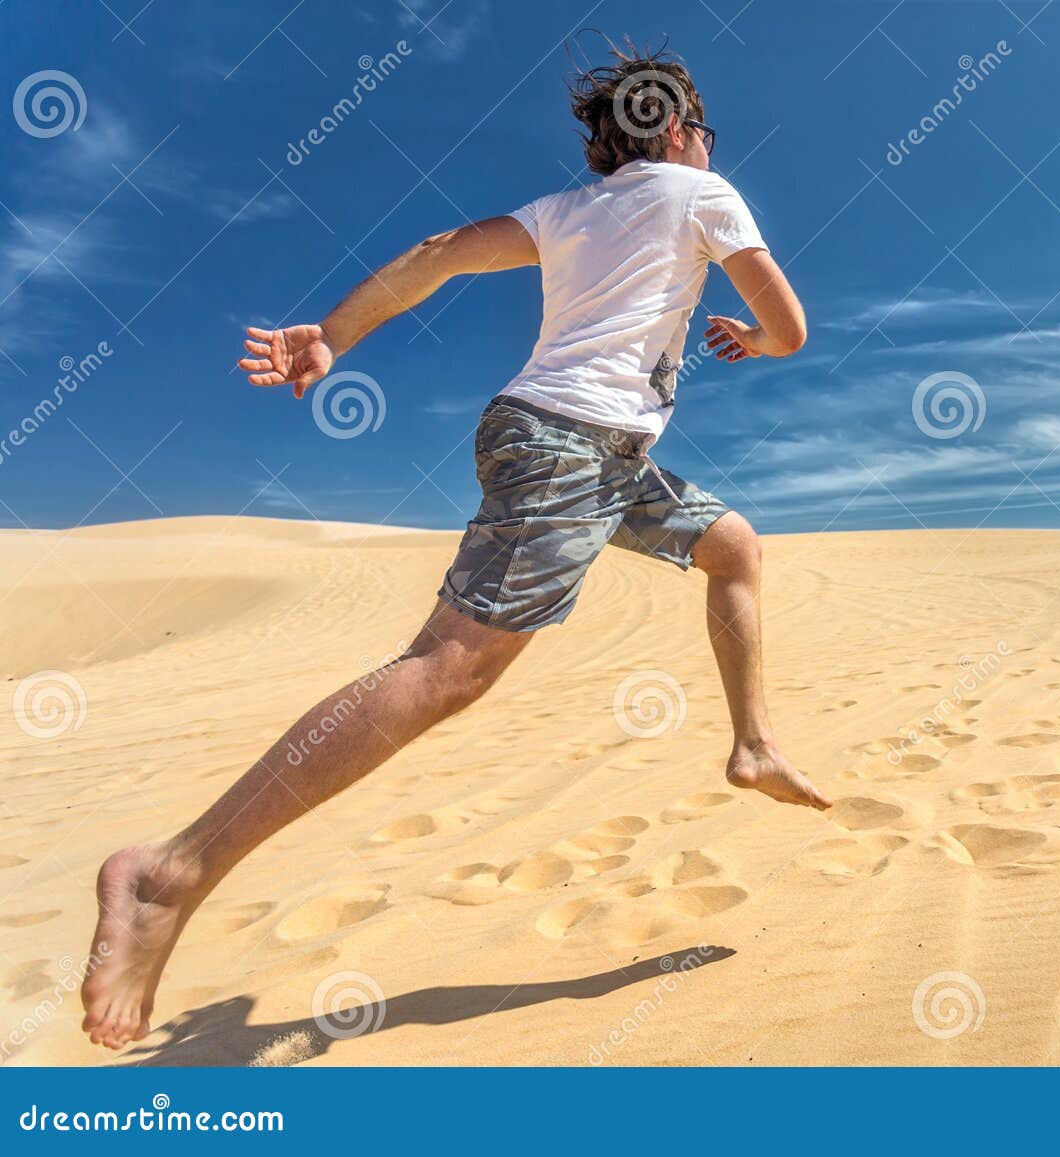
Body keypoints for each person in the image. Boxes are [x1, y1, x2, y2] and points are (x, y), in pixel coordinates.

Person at [80, 45, 831, 1051]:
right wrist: (755, 336)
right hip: (574, 444)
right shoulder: (705, 189)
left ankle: (753, 743)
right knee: (444, 670)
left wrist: (333, 335)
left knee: (732, 548)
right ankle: (170, 873)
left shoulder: (566, 212)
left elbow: (437, 250)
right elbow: (791, 325)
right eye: (704, 132)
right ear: (686, 131)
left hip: (584, 449)